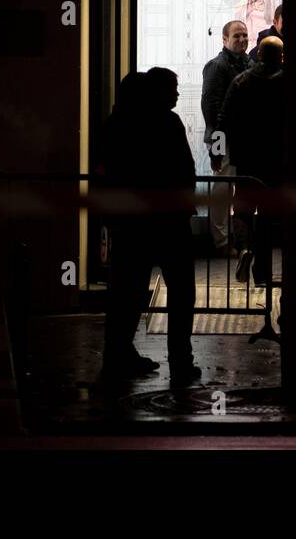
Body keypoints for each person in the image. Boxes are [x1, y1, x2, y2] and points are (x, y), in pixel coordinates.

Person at [98, 69, 200, 385]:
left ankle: (117, 354)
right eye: (172, 89)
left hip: (131, 223)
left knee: (126, 293)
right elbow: (185, 170)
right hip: (169, 220)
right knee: (182, 292)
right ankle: (180, 360)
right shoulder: (168, 124)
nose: (177, 94)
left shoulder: (115, 125)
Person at [218, 36, 296, 286]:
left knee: (243, 209)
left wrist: (217, 153)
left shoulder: (240, 81)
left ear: (258, 54)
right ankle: (263, 275)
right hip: (276, 161)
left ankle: (244, 248)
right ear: (280, 57)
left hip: (246, 159)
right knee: (268, 218)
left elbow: (223, 119)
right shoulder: (286, 84)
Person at [201, 20, 250, 254]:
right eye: (237, 36)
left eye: (244, 35)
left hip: (240, 138)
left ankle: (231, 239)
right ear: (224, 39)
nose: (242, 40)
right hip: (227, 138)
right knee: (223, 189)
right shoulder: (218, 66)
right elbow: (211, 108)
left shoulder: (247, 63)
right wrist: (217, 148)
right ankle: (220, 240)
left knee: (235, 188)